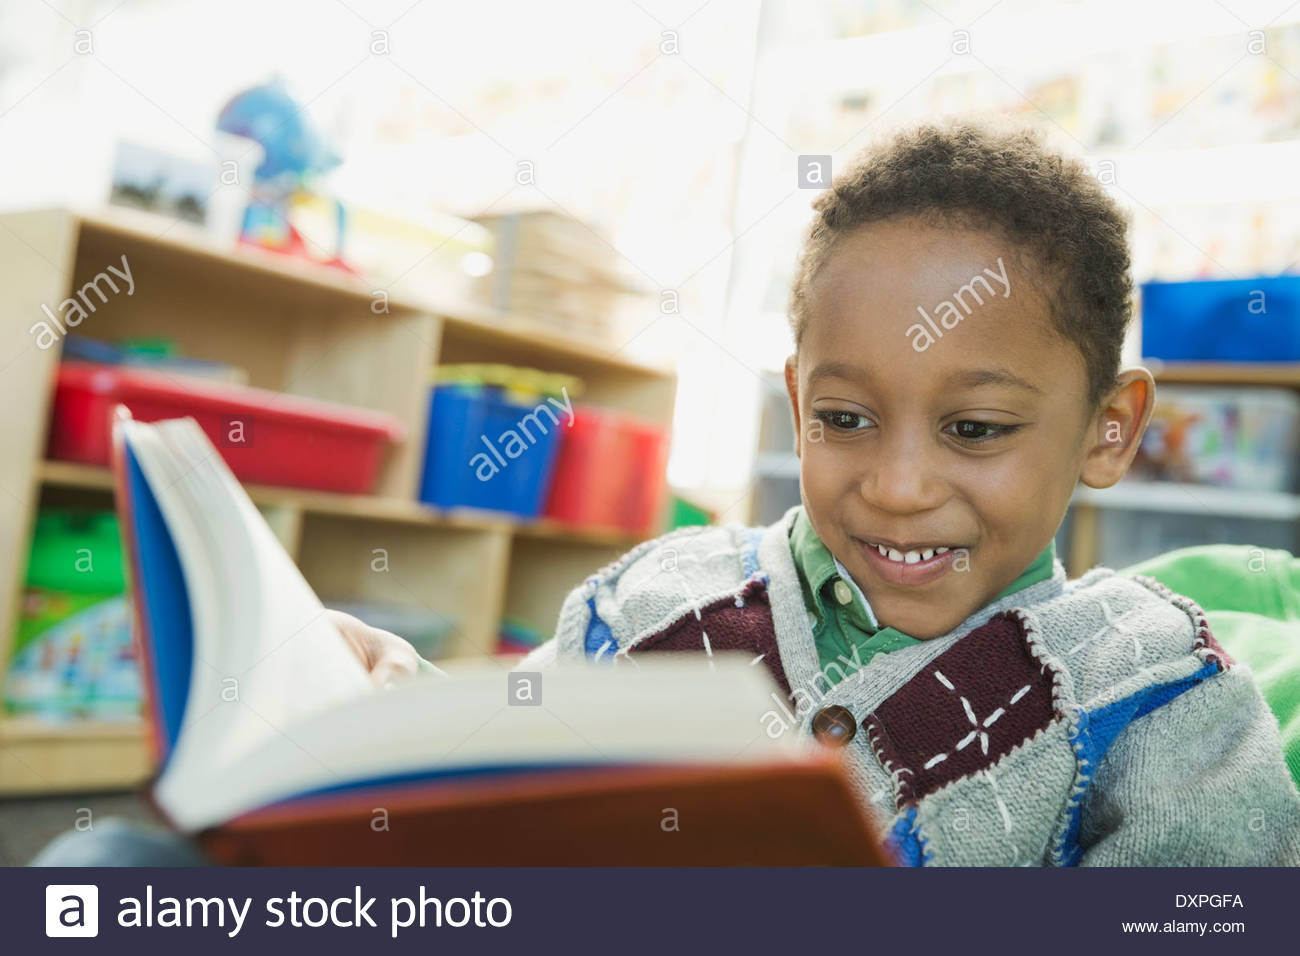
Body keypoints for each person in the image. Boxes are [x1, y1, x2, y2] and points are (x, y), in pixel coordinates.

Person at [34, 119, 1300, 867]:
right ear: (796, 399)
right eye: (844, 418)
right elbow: (515, 770)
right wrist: (378, 708)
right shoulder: (654, 589)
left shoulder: (1157, 684)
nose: (899, 484)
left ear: (1108, 428)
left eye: (975, 428)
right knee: (113, 863)